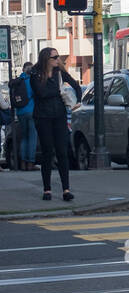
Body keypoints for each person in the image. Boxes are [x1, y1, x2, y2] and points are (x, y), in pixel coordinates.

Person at [30, 47, 81, 201]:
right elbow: (41, 93)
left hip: (59, 115)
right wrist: (59, 91)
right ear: (46, 59)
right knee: (47, 152)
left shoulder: (60, 72)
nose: (58, 59)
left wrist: (78, 100)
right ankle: (47, 190)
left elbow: (76, 85)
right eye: (55, 57)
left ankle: (66, 190)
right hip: (42, 117)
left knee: (62, 152)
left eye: (58, 56)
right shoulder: (35, 73)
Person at [16, 62, 37, 171]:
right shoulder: (32, 80)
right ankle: (30, 163)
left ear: (23, 69)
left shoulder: (18, 81)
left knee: (24, 137)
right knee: (32, 137)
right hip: (31, 111)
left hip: (20, 112)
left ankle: (23, 163)